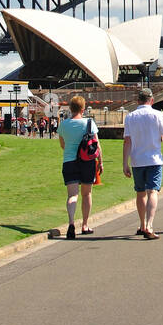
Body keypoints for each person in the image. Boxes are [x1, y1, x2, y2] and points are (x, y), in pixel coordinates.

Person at [122, 89, 163, 240]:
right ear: (152, 100)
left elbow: (127, 141)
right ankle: (149, 225)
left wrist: (125, 163)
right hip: (153, 159)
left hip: (137, 160)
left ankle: (142, 224)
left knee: (140, 193)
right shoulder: (158, 115)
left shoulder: (130, 117)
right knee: (152, 191)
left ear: (138, 100)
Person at [57, 96, 102, 239]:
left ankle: (71, 223)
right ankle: (85, 224)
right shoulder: (89, 123)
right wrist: (100, 162)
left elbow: (62, 145)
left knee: (72, 195)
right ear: (83, 109)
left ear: (70, 108)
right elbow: (97, 145)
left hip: (69, 161)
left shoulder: (64, 125)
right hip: (87, 162)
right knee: (86, 194)